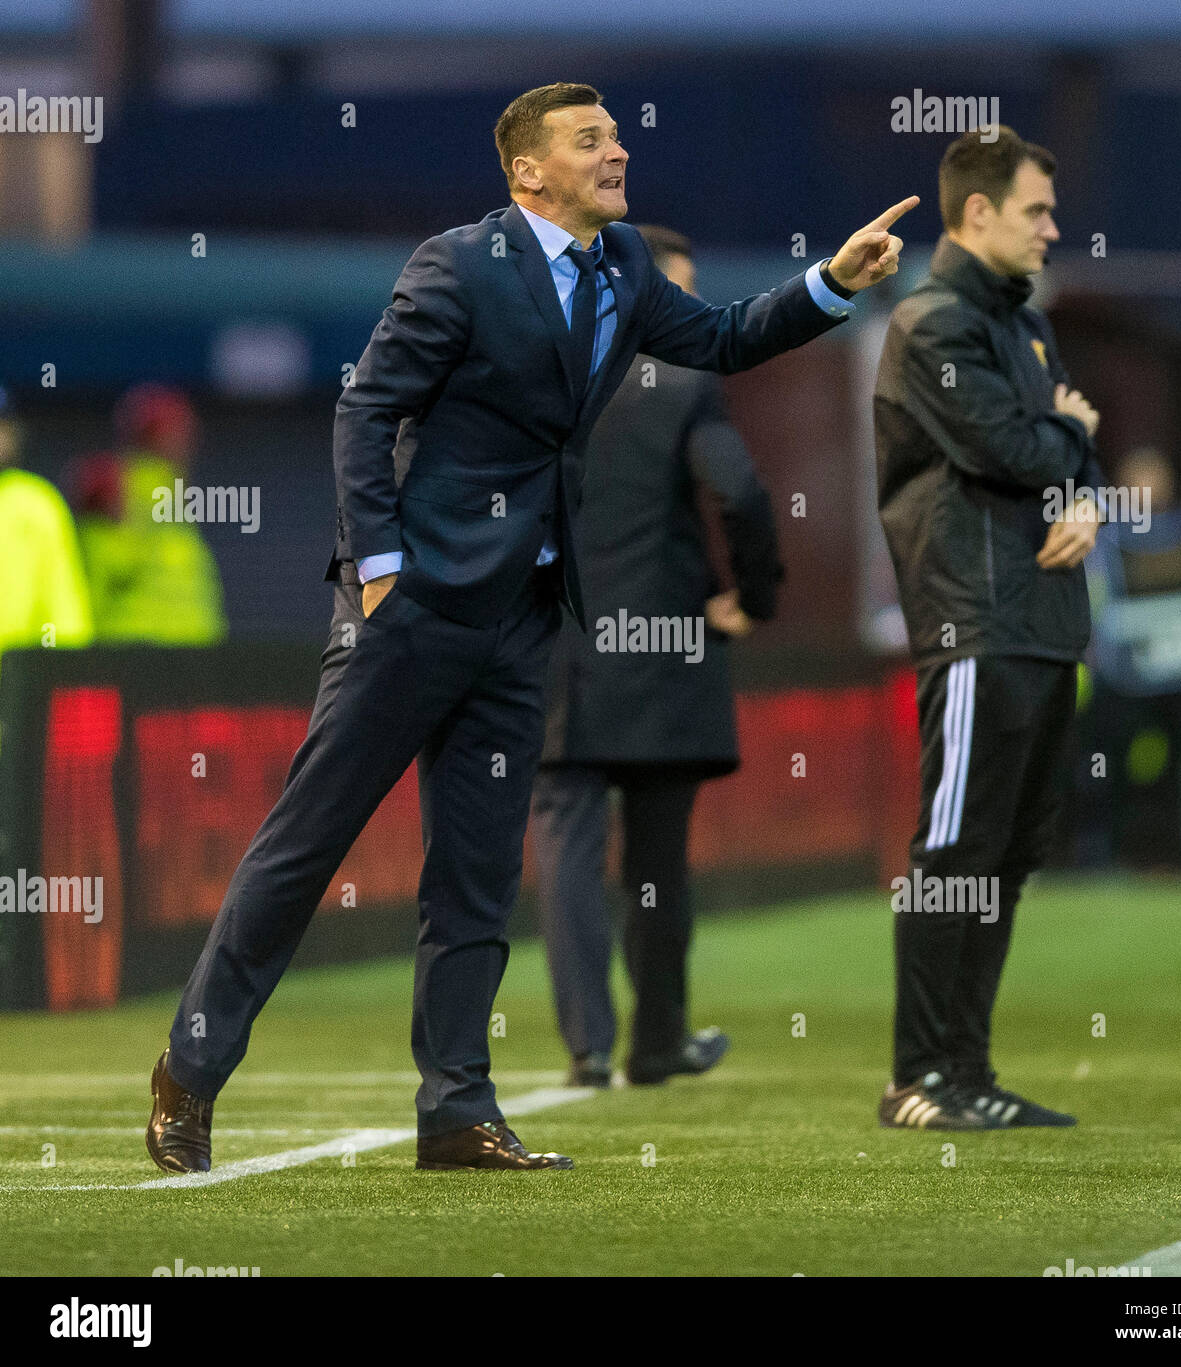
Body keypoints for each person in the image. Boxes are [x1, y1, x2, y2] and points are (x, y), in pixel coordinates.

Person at [147, 80, 917, 1174]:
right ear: (528, 171)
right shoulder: (459, 263)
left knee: (475, 875)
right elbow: (365, 408)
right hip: (409, 611)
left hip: (520, 619)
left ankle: (455, 1105)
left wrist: (831, 284)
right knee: (305, 845)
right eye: (590, 140)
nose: (616, 153)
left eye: (614, 138)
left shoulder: (624, 268)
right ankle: (190, 1066)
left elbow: (724, 336)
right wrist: (378, 569)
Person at [873, 126, 1101, 1130]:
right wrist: (1074, 435)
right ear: (977, 213)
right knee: (955, 848)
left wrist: (1083, 489)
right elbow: (1009, 442)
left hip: (1040, 622)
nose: (1054, 228)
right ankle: (918, 1077)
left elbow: (1047, 457)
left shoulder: (1023, 325)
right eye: (1036, 211)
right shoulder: (932, 322)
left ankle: (969, 1069)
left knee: (1007, 852)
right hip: (974, 616)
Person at [532, 225, 783, 1089]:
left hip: (559, 651)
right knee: (658, 858)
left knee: (565, 845)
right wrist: (754, 598)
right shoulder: (683, 384)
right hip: (665, 652)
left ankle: (586, 1044)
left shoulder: (546, 384)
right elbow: (743, 493)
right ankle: (658, 1038)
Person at [1079, 446, 1181, 872]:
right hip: (1122, 678)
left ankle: (1180, 860)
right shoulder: (1104, 539)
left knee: (1180, 771)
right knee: (1107, 769)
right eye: (1138, 480)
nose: (1147, 489)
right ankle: (1099, 858)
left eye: (1154, 479)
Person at [65, 384, 226, 645]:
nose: (187, 442)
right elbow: (107, 567)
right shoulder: (117, 487)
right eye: (178, 431)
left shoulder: (171, 496)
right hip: (139, 659)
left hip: (176, 660)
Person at [0, 387, 94, 685]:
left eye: (4, 424)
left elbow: (63, 609)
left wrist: (71, 676)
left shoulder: (37, 502)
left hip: (15, 690)